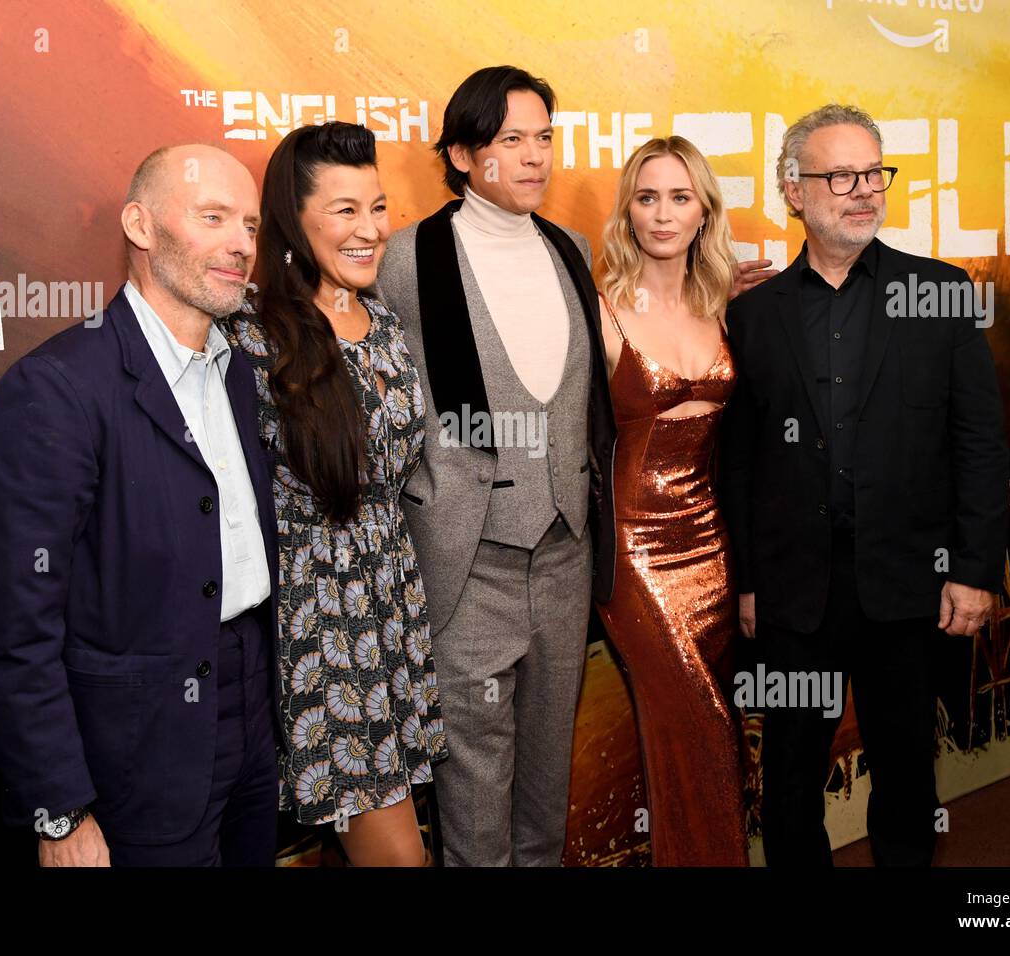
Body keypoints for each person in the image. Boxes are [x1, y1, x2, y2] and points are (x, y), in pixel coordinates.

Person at [0, 144, 282, 866]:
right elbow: (12, 629)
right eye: (214, 218)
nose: (241, 244)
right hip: (135, 753)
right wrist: (60, 812)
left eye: (251, 226)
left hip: (252, 710)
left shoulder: (237, 375)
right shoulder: (56, 389)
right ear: (139, 225)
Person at [720, 104, 1009, 866]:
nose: (863, 191)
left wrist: (976, 572)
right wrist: (749, 582)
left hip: (910, 589)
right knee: (789, 780)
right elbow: (743, 462)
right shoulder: (752, 316)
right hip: (794, 594)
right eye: (839, 175)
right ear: (793, 191)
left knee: (909, 777)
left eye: (873, 173)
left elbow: (980, 445)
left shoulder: (942, 295)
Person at [374, 65, 619, 866]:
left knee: (546, 790)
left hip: (564, 555)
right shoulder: (405, 260)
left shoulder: (571, 249)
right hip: (466, 560)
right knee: (475, 804)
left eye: (544, 138)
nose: (535, 157)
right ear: (462, 152)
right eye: (512, 139)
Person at [222, 121, 447, 866]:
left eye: (378, 207)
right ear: (295, 217)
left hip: (392, 598)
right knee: (399, 858)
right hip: (320, 619)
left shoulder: (381, 320)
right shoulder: (254, 338)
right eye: (345, 210)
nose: (370, 229)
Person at [593, 135, 750, 866]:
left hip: (712, 548)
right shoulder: (601, 312)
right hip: (636, 559)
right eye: (647, 196)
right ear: (628, 208)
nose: (662, 213)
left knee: (701, 736)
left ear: (703, 211)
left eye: (680, 197)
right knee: (705, 726)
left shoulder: (727, 305)